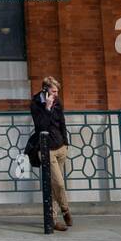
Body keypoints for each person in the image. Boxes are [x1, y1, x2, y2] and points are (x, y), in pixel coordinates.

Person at [30, 75, 72, 230]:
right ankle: (65, 209)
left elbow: (62, 122)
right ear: (45, 90)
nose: (56, 94)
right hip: (46, 150)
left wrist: (66, 143)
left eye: (57, 91)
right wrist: (47, 108)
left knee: (56, 185)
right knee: (59, 184)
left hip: (60, 148)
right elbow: (41, 127)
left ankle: (54, 220)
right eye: (53, 91)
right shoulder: (35, 104)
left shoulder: (58, 101)